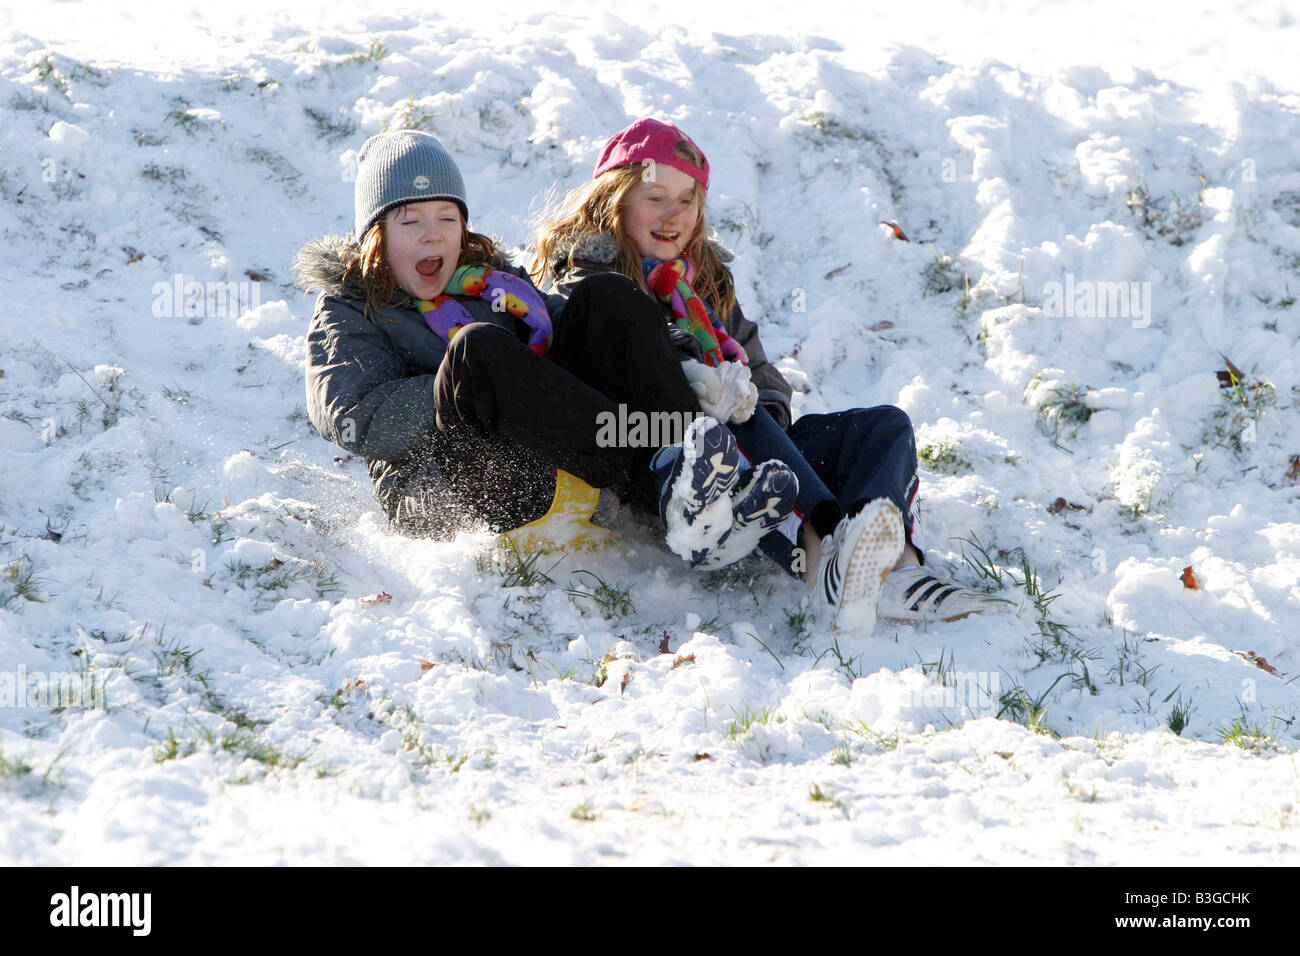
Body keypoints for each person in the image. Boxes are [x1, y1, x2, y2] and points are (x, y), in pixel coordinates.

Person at [533, 118, 1003, 630]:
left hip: (743, 447)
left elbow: (760, 370)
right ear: (614, 201)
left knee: (882, 426)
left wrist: (754, 400)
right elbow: (614, 372)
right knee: (726, 413)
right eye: (655, 198)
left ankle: (898, 569)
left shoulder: (703, 283)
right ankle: (824, 553)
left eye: (687, 200)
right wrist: (706, 384)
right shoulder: (586, 281)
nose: (674, 216)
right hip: (666, 465)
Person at [292, 128, 798, 565]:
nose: (432, 237)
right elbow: (356, 417)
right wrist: (465, 387)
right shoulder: (349, 307)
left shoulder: (495, 281)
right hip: (464, 480)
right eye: (410, 221)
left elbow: (570, 329)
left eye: (446, 218)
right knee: (476, 351)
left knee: (607, 295)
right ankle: (672, 483)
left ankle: (688, 487)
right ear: (375, 235)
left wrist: (679, 357)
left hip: (568, 447)